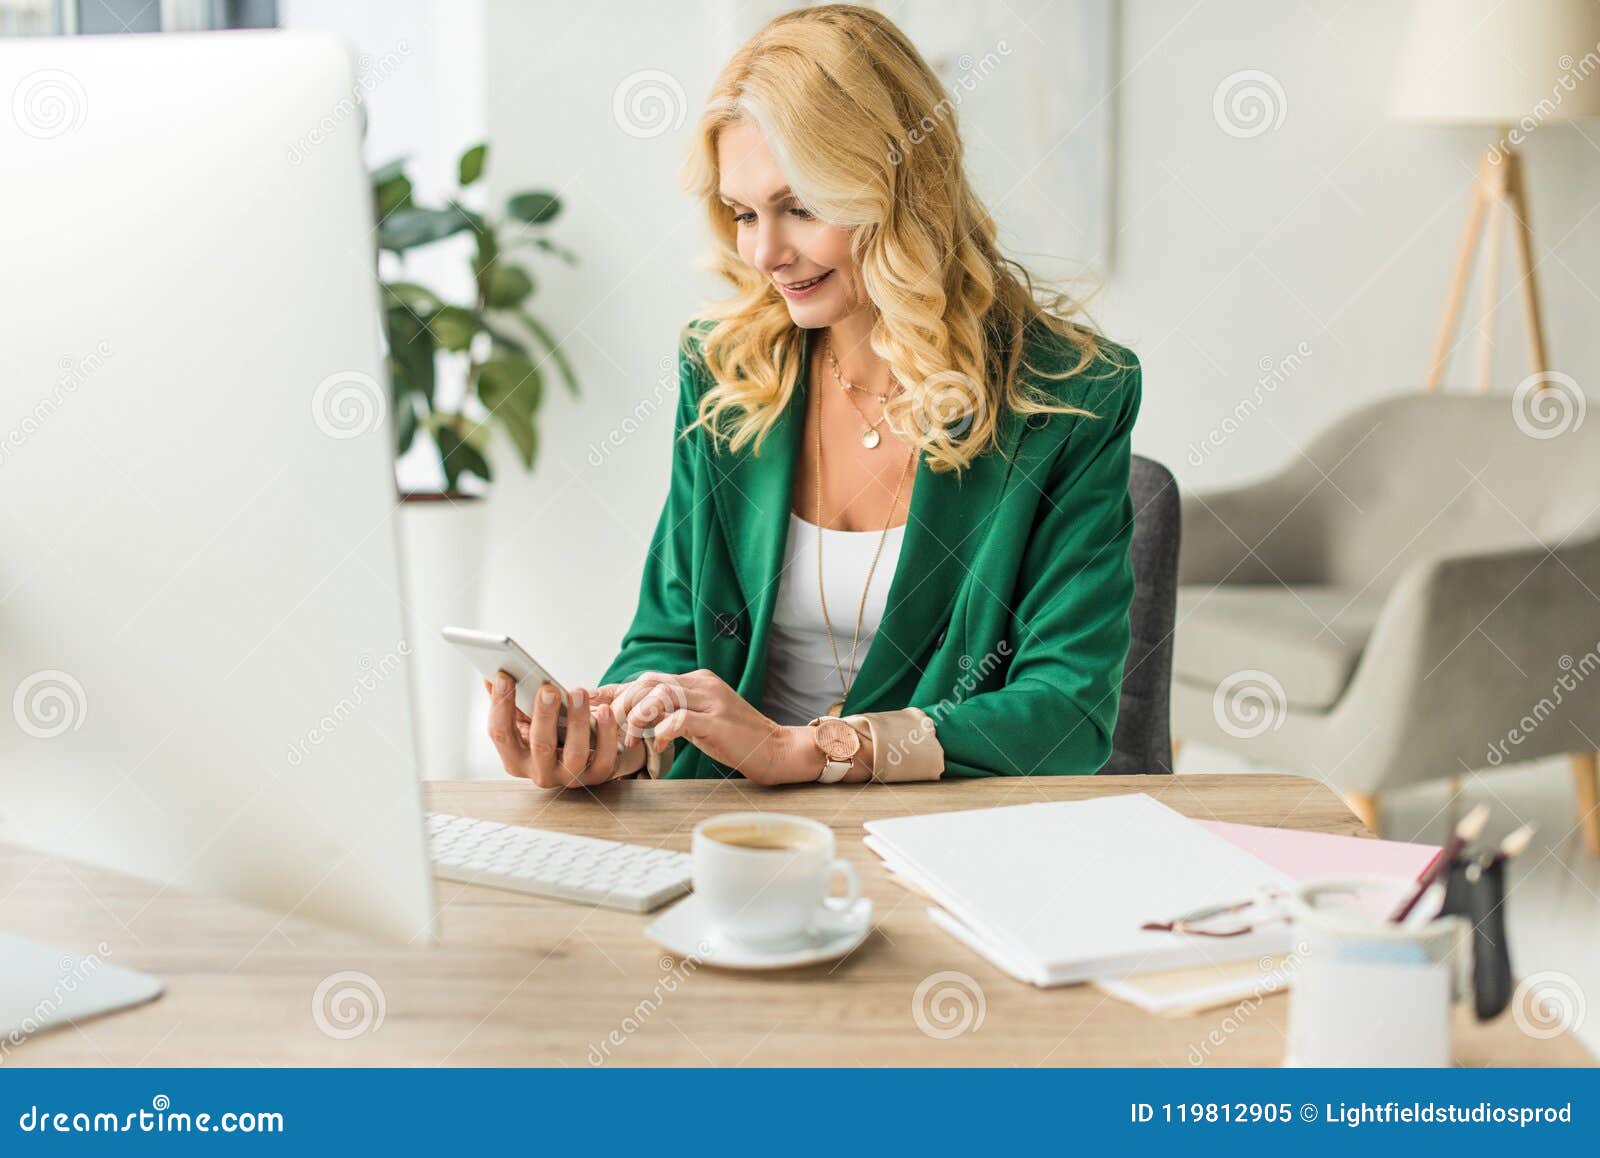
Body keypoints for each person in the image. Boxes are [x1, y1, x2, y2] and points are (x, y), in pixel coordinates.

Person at [487, 3, 1139, 787]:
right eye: (742, 214)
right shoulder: (727, 371)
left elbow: (1067, 713)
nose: (765, 252)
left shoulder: (1069, 398)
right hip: (730, 829)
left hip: (944, 838)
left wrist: (809, 751)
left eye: (800, 207)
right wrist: (619, 738)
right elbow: (668, 638)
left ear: (900, 188)